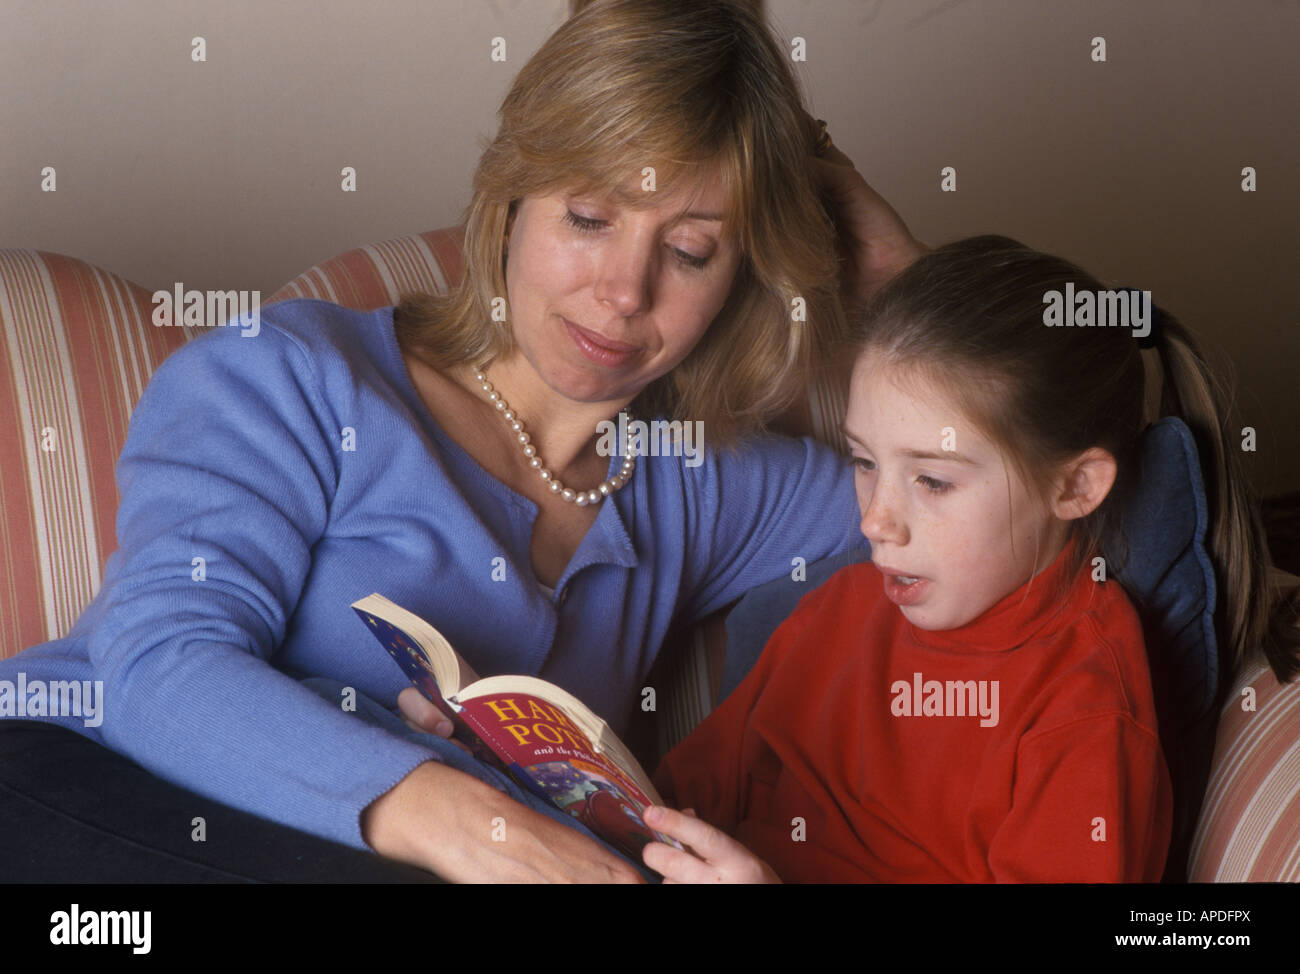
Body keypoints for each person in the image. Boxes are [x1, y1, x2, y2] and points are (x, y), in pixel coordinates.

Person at [0, 0, 925, 882]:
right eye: (589, 219)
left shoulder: (698, 482)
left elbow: (1011, 499)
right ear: (513, 196)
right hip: (81, 786)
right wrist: (461, 815)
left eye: (689, 251)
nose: (624, 292)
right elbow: (156, 667)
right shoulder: (291, 374)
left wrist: (900, 282)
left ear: (744, 275)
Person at [636, 235, 1300, 883]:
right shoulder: (836, 608)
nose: (874, 520)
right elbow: (677, 799)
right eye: (865, 462)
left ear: (1073, 487)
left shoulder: (1083, 712)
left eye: (933, 481)